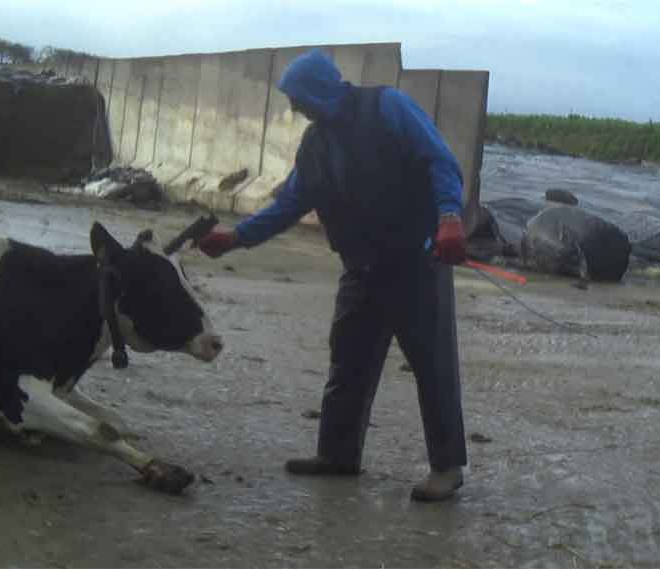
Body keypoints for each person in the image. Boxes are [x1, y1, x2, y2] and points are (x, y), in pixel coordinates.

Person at [196, 49, 470, 502]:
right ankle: (338, 456)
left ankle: (447, 468)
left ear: (320, 89)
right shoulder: (315, 146)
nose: (295, 108)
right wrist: (237, 238)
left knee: (432, 367)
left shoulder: (388, 106)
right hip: (361, 270)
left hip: (416, 264)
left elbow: (440, 160)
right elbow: (290, 204)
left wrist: (449, 216)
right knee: (348, 363)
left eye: (298, 98)